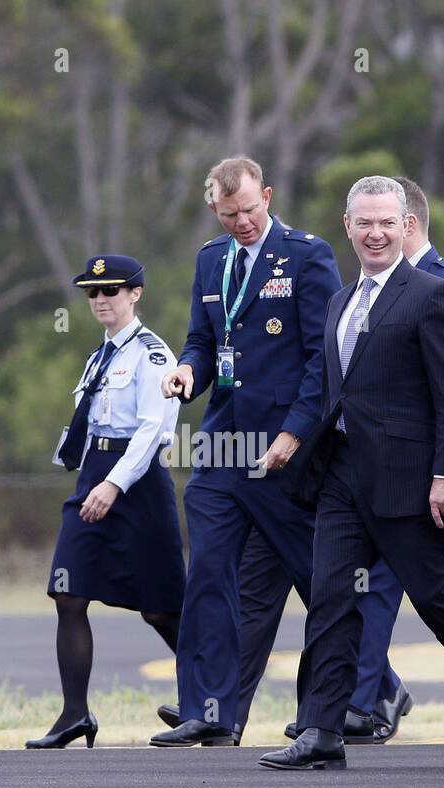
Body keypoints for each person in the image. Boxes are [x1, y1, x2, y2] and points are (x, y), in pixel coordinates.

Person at [259, 176, 444, 771]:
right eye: (364, 223)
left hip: (408, 481)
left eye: (386, 223)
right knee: (329, 600)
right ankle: (323, 732)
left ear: (406, 227)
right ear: (347, 226)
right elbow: (332, 390)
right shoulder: (339, 302)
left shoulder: (432, 295)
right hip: (342, 479)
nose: (375, 233)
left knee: (435, 598)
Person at [149, 156, 341, 747]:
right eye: (231, 214)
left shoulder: (308, 256)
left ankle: (371, 689)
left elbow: (323, 357)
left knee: (319, 578)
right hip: (222, 440)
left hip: (285, 446)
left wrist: (296, 432)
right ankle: (208, 709)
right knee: (208, 569)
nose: (243, 222)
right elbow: (203, 340)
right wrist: (186, 370)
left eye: (251, 210)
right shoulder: (211, 258)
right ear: (215, 209)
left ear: (270, 197)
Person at [28, 255, 184, 749]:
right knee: (68, 593)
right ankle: (75, 714)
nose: (100, 300)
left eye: (112, 291)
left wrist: (114, 484)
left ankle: (211, 699)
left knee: (162, 609)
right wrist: (94, 477)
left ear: (135, 294)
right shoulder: (99, 357)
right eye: (93, 293)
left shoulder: (153, 354)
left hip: (136, 483)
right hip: (94, 474)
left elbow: (153, 431)